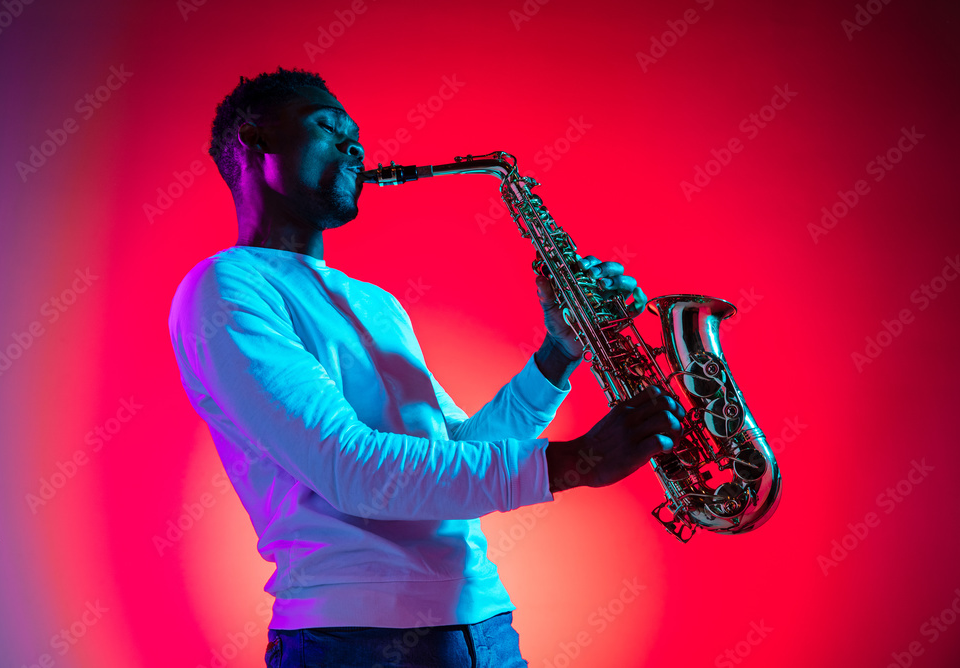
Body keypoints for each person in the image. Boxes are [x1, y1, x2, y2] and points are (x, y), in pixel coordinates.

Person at [167, 68, 685, 668]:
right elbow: (350, 468)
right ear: (254, 138)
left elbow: (457, 449)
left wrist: (558, 353)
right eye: (329, 127)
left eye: (357, 134)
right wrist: (573, 463)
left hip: (484, 627)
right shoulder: (225, 287)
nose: (355, 146)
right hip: (356, 642)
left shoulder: (377, 302)